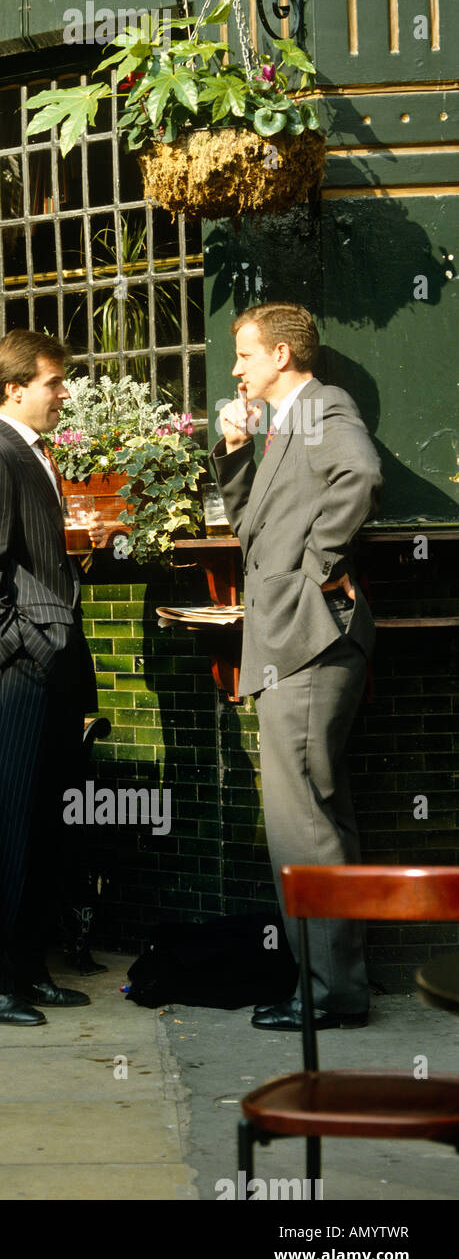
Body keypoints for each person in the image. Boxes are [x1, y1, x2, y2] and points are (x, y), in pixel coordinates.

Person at [213, 302, 381, 1032]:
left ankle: (326, 995)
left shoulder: (322, 406)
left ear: (281, 356)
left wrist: (317, 566)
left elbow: (362, 476)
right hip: (290, 640)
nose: (236, 369)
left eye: (245, 355)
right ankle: (334, 985)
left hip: (307, 639)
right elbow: (249, 526)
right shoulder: (280, 424)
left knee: (299, 823)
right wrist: (230, 451)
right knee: (317, 816)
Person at [0, 329, 101, 1025]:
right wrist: (26, 649)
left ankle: (27, 967)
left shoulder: (34, 456)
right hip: (21, 671)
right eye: (52, 381)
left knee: (45, 823)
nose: (61, 393)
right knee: (6, 824)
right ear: (15, 388)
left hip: (53, 663)